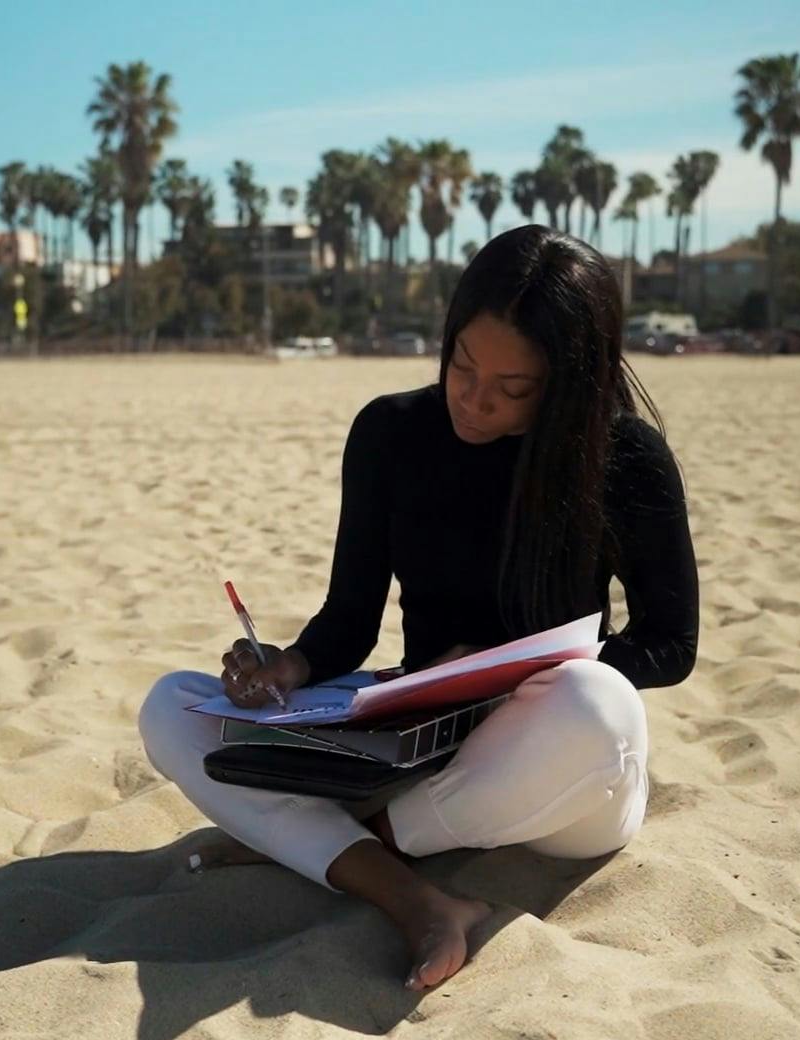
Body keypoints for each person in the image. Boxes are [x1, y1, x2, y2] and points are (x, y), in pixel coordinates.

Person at [138, 224, 699, 992]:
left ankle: (333, 847)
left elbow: (670, 644)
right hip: (421, 739)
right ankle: (414, 895)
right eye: (464, 365)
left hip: (553, 771)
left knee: (598, 706)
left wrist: (520, 673)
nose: (473, 398)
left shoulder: (624, 457)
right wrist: (289, 666)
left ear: (569, 382)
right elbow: (350, 620)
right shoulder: (391, 432)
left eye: (513, 389)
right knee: (173, 707)